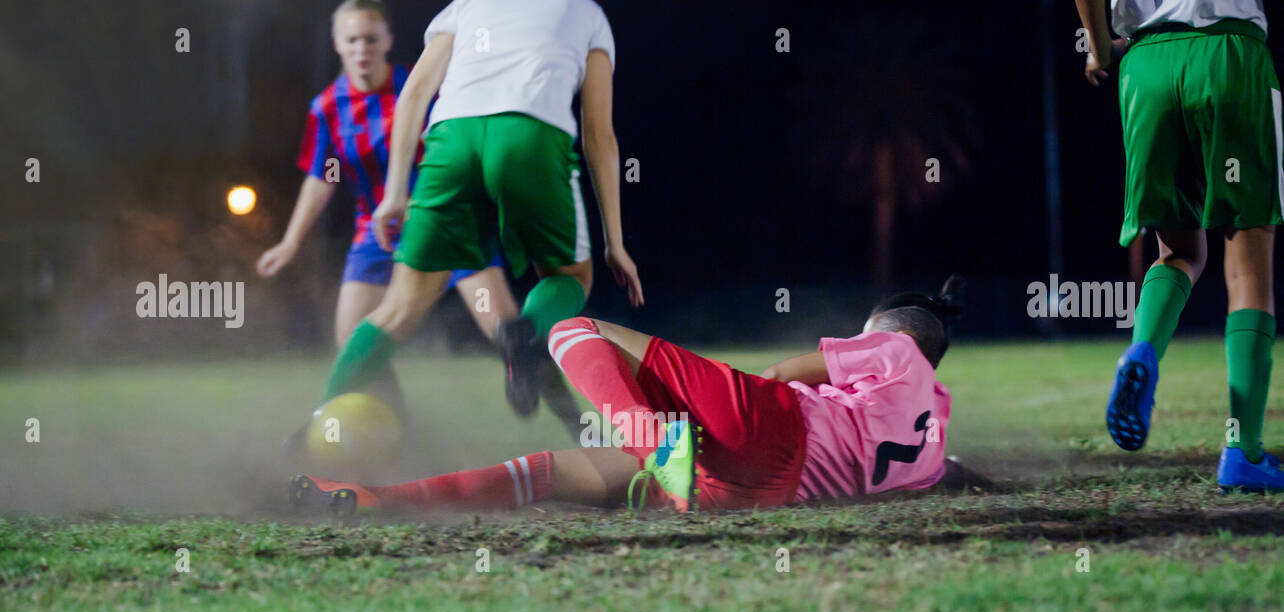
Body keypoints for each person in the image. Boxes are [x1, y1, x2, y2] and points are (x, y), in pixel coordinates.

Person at [288, 278, 963, 517]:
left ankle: (653, 445)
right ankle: (377, 500)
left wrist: (705, 404)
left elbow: (787, 376)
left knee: (570, 329)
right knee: (559, 471)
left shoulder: (899, 347)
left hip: (767, 429)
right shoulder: (932, 447)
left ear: (890, 331)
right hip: (757, 493)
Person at [309, 0, 642, 439]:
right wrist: (614, 242)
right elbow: (600, 131)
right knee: (569, 279)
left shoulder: (466, 6)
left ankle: (314, 430)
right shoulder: (587, 14)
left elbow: (414, 94)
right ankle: (536, 356)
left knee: (397, 310)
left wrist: (394, 193)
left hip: (451, 143)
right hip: (530, 137)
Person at [259, 1, 580, 431]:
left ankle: (580, 427)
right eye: (352, 39)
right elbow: (322, 177)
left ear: (387, 41)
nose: (362, 49)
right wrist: (291, 241)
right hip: (376, 235)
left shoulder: (416, 86)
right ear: (338, 44)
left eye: (371, 39)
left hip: (447, 225)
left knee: (511, 336)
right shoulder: (327, 107)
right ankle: (397, 433)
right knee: (354, 342)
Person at [1075, 0, 1283, 490]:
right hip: (1228, 55)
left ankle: (1142, 351)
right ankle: (1242, 450)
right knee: (1247, 268)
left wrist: (1100, 50)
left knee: (1180, 251)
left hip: (1148, 68)